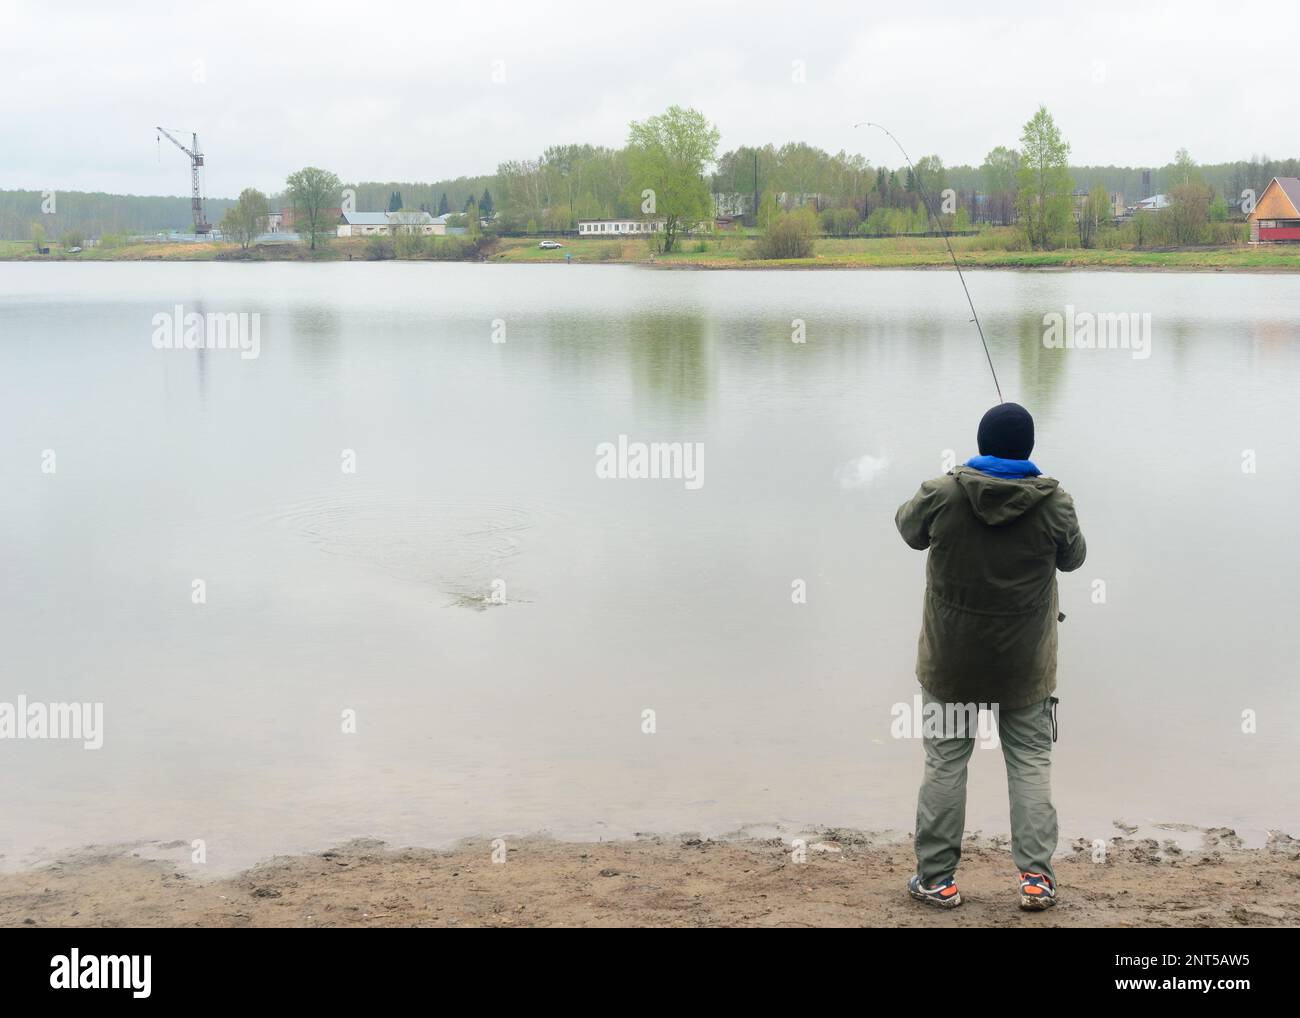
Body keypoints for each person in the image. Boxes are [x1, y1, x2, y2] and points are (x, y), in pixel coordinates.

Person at [894, 402, 1086, 911]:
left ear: (980, 444)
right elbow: (1074, 557)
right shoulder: (1054, 503)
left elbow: (907, 531)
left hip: (951, 663)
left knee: (944, 765)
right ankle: (1036, 881)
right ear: (1028, 450)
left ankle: (936, 880)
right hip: (1024, 666)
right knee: (1029, 764)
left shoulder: (941, 494)